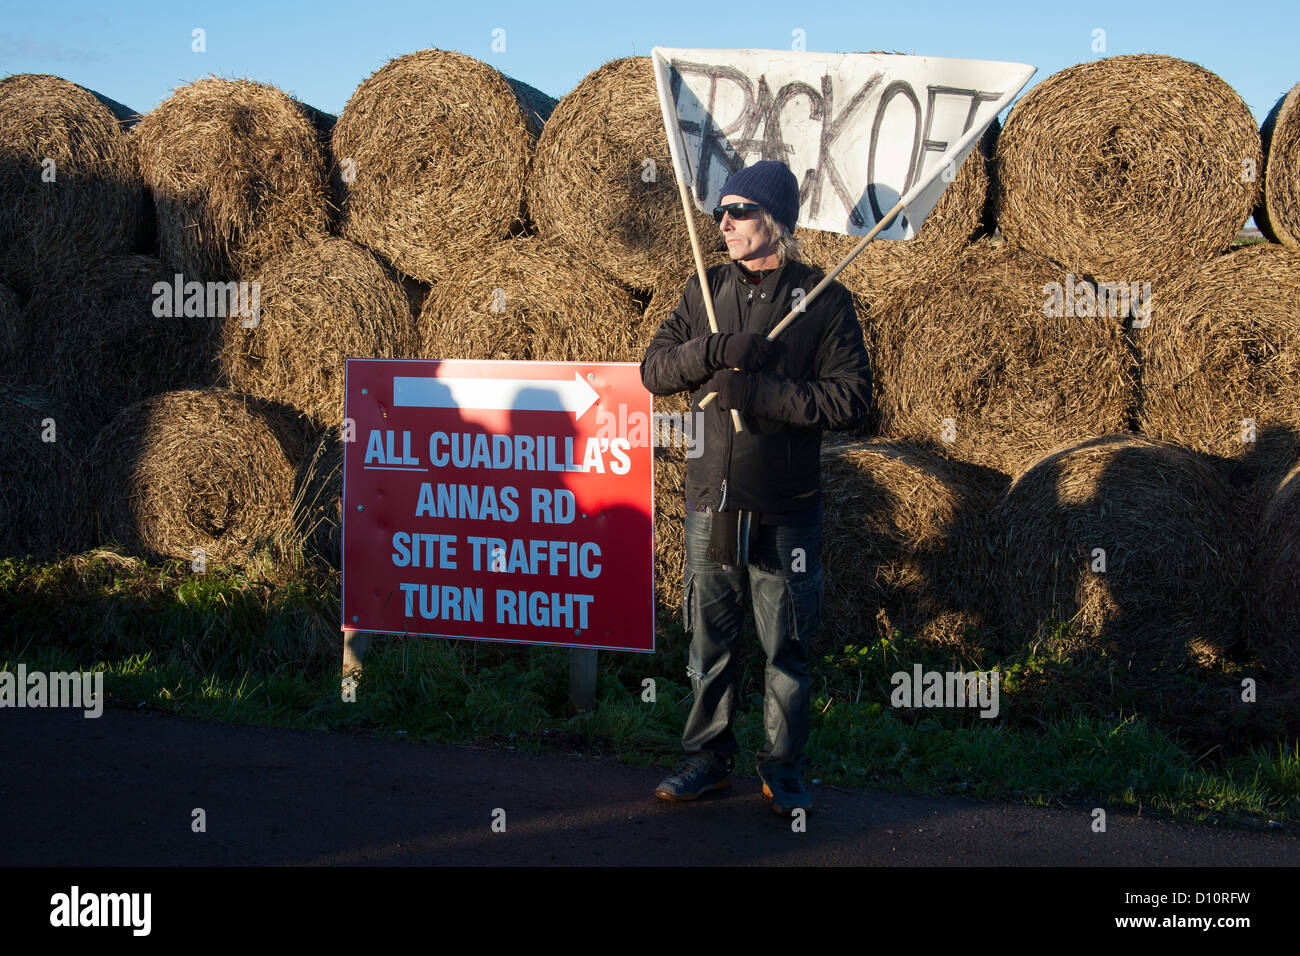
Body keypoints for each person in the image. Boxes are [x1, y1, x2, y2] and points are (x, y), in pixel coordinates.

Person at [640, 159, 873, 815]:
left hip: (787, 506)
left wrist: (761, 393)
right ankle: (707, 759)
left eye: (737, 210)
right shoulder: (704, 290)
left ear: (773, 219)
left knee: (786, 647)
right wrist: (713, 353)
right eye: (720, 210)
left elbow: (852, 399)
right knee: (709, 641)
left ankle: (784, 767)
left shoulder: (823, 298)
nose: (723, 222)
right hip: (713, 499)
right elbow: (654, 370)